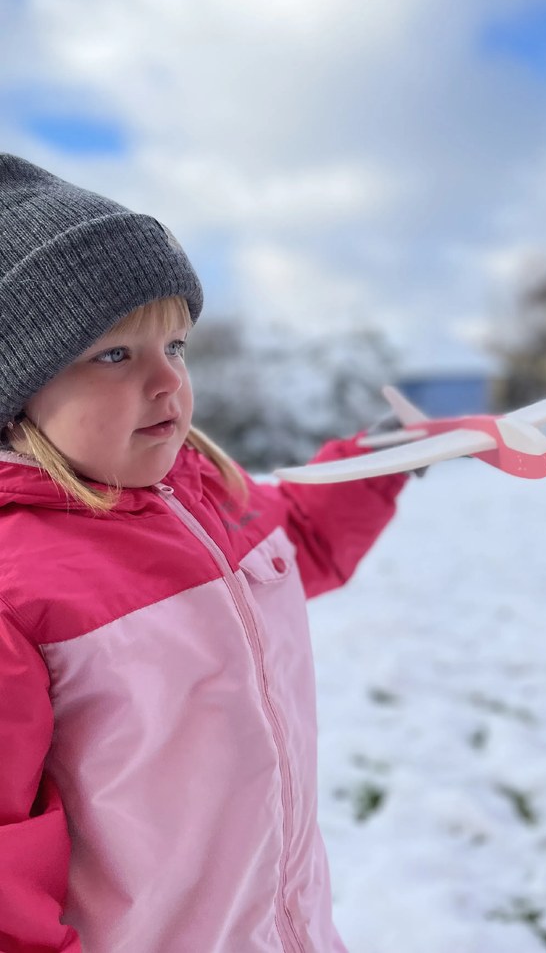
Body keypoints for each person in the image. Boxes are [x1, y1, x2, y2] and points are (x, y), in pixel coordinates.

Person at [0, 154, 407, 953]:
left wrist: (378, 461)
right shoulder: (18, 583)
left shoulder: (205, 496)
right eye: (115, 354)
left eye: (177, 347)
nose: (167, 384)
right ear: (18, 391)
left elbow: (301, 535)